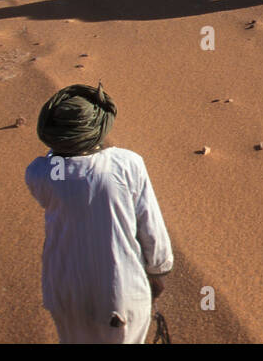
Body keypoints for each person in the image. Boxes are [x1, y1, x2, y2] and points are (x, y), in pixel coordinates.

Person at [25, 83, 174, 344]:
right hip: (120, 291)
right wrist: (159, 270)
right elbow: (151, 227)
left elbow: (65, 175)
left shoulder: (38, 172)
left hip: (64, 293)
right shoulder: (126, 164)